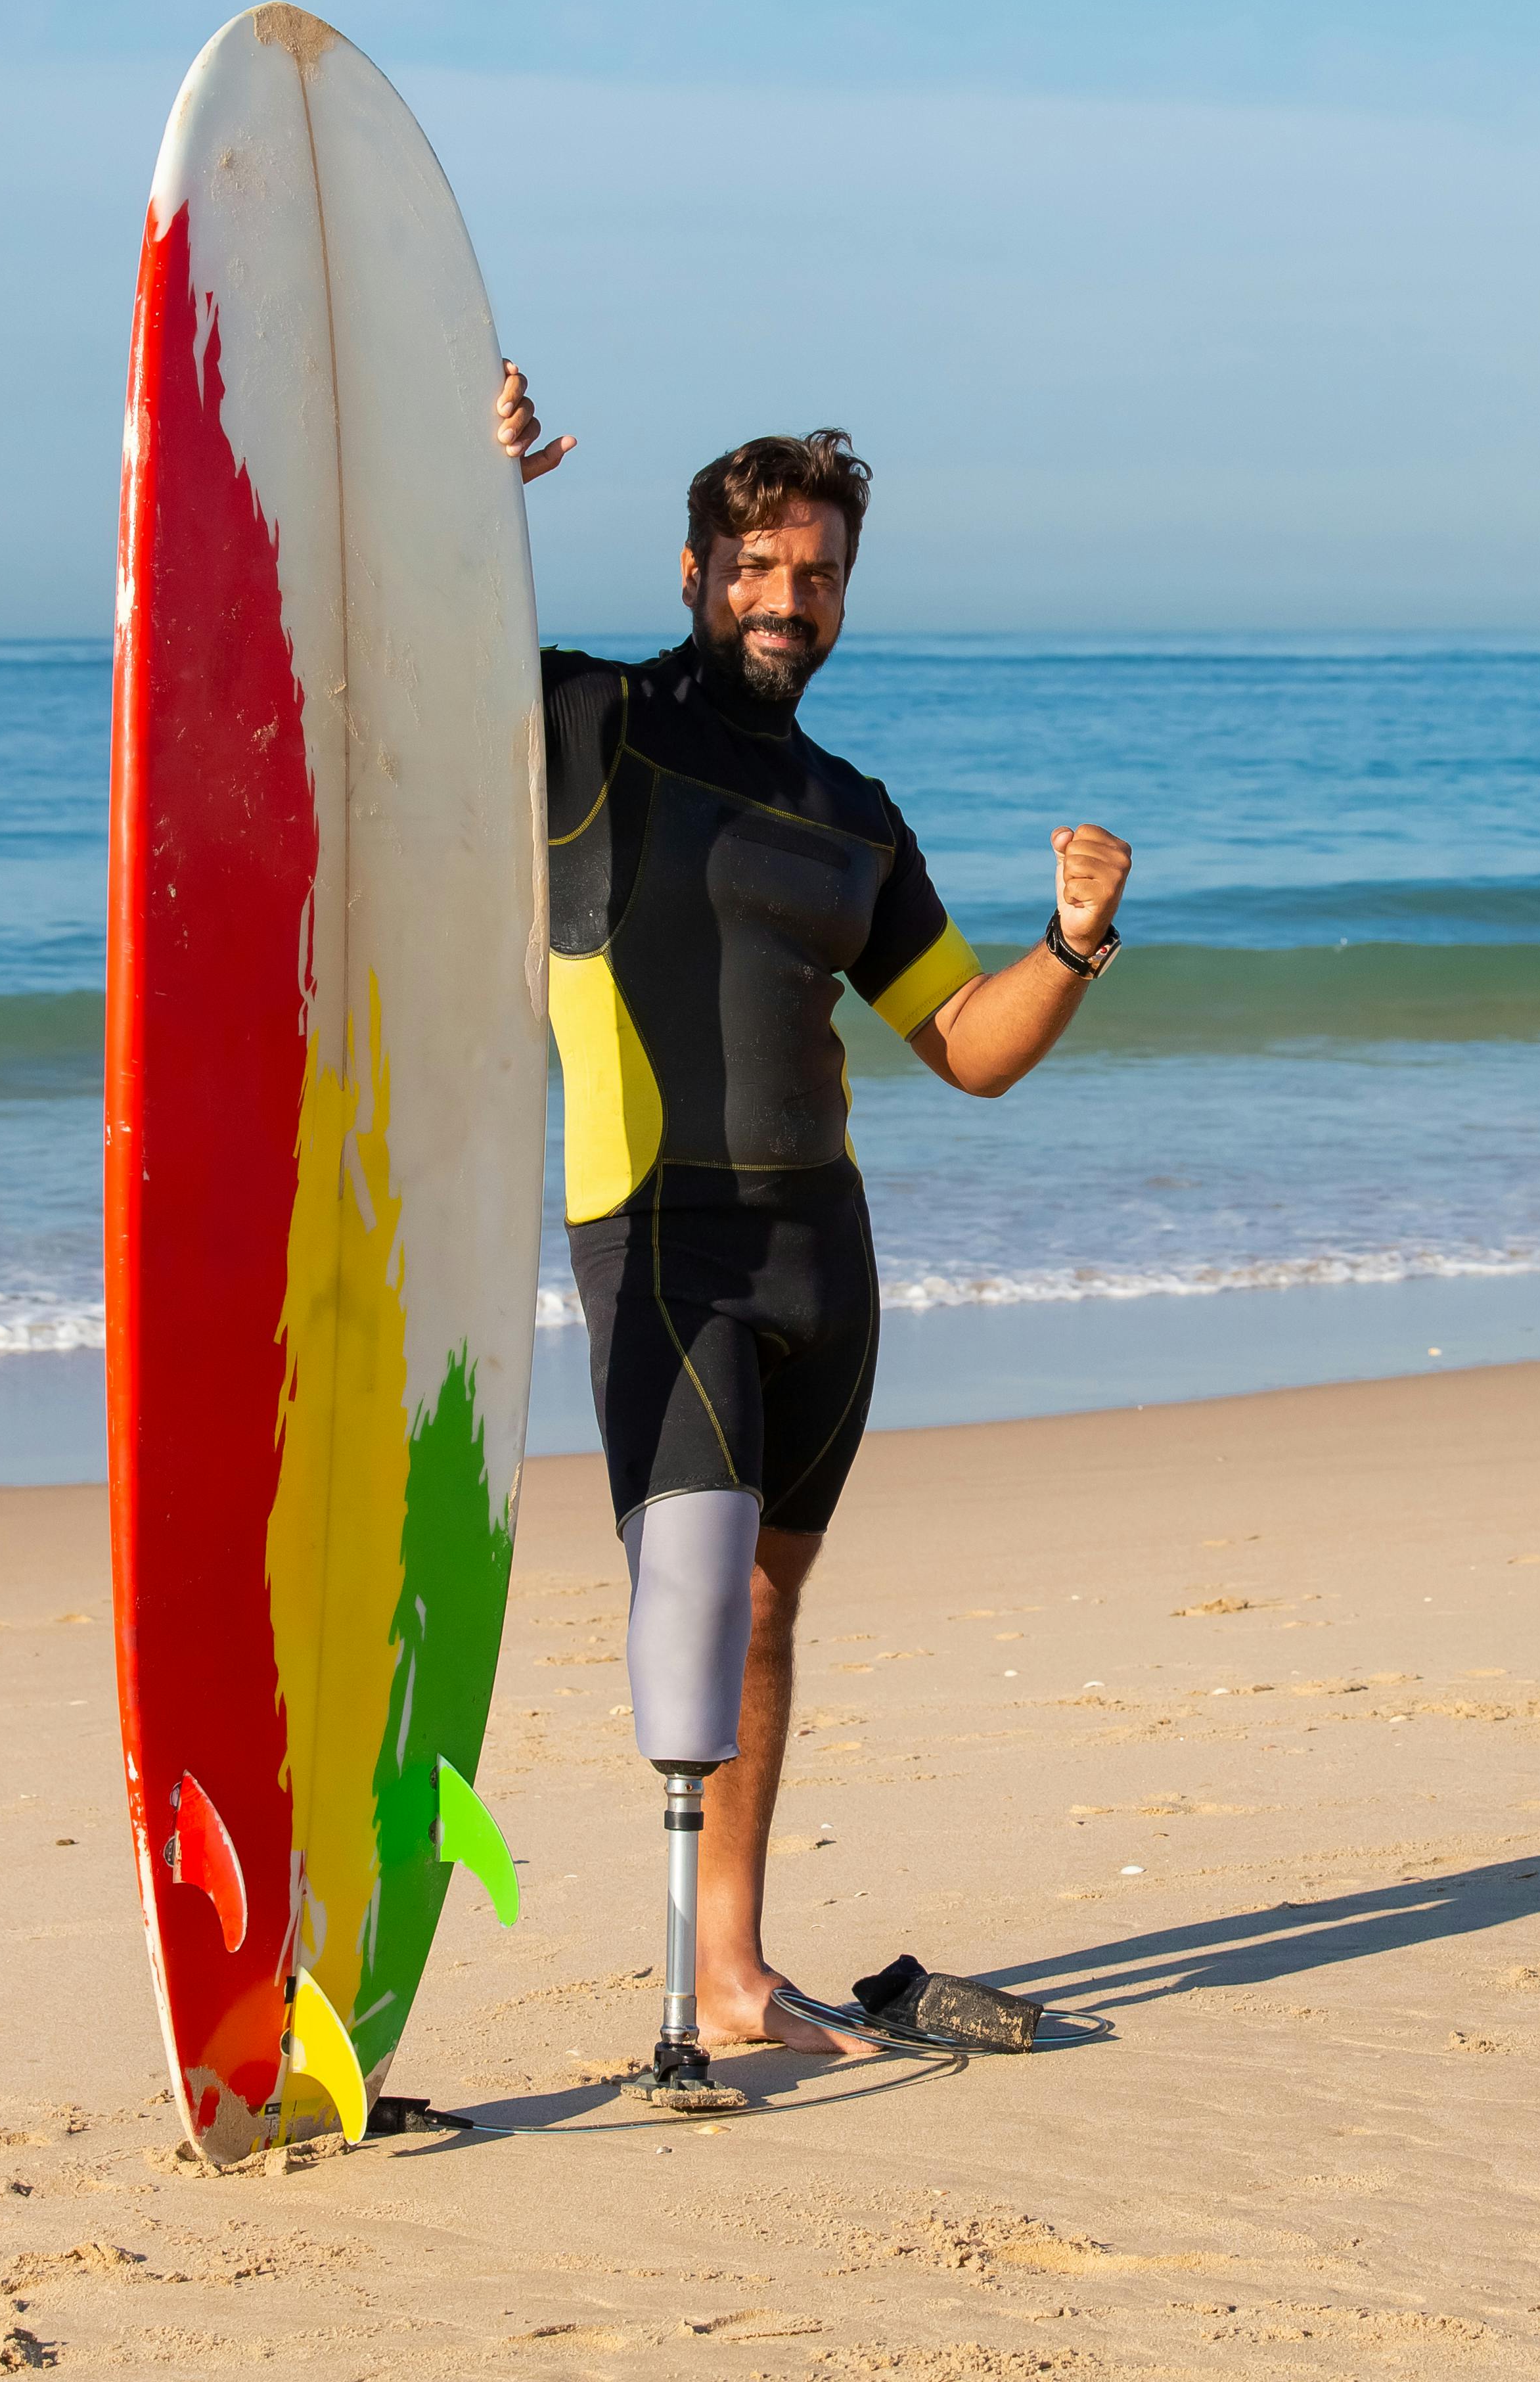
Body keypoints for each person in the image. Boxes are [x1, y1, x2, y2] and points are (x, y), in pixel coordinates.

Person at [492, 363, 1131, 2055]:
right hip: (654, 1231)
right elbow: (419, 657)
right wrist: (477, 486)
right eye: (759, 567)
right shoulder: (589, 724)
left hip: (819, 1257)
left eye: (821, 571)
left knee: (770, 1608)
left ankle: (736, 1967)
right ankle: (694, 1988)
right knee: (693, 1595)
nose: (789, 600)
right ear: (696, 574)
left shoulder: (858, 817)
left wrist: (1069, 948)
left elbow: (962, 1048)